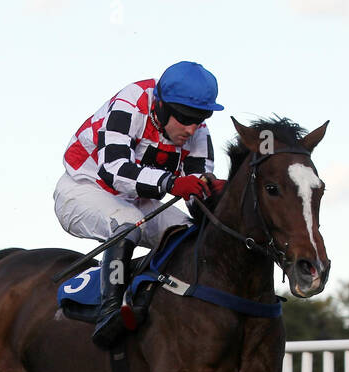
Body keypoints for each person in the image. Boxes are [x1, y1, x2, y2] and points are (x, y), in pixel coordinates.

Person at [55, 61, 226, 348]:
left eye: (200, 118)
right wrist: (172, 183)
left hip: (137, 201)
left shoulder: (198, 131)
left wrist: (212, 189)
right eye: (185, 119)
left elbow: (196, 192)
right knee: (128, 223)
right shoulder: (130, 103)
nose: (192, 128)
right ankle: (109, 314)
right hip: (83, 189)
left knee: (188, 235)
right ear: (160, 105)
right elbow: (114, 169)